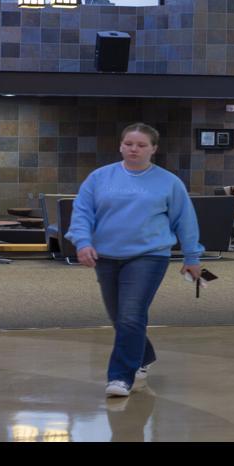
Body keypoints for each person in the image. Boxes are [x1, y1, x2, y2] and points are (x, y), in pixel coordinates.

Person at [66, 122, 203, 399]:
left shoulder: (168, 182)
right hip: (106, 256)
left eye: (141, 145)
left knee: (130, 316)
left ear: (153, 149)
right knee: (121, 319)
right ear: (120, 146)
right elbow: (82, 212)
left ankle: (120, 377)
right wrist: (83, 242)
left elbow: (184, 220)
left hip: (148, 256)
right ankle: (145, 354)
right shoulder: (99, 178)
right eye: (129, 144)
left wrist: (192, 256)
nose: (134, 149)